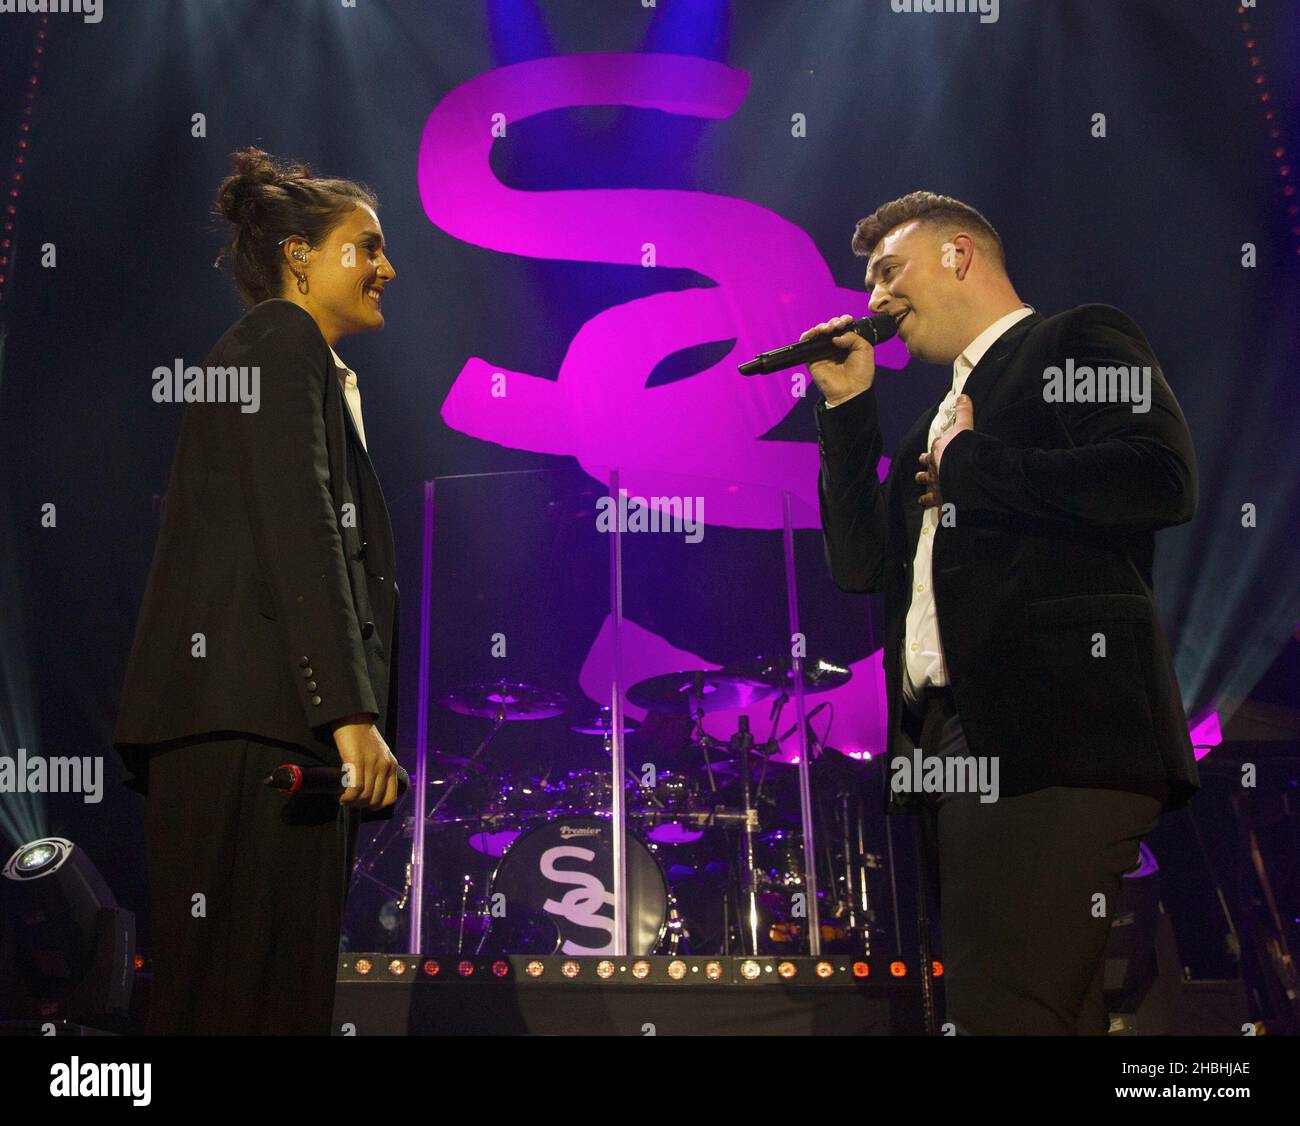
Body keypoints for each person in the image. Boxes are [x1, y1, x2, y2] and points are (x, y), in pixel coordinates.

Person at [807, 191, 1199, 1035]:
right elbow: (859, 567)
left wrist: (975, 466)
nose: (874, 299)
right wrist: (845, 415)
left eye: (888, 271)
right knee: (1033, 1005)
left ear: (959, 255)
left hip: (1060, 729)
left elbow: (1158, 477)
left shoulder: (1075, 341)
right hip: (949, 741)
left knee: (1007, 1009)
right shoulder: (927, 428)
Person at [112, 147, 401, 1035]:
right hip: (255, 723)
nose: (387, 267)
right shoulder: (282, 337)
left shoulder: (275, 353)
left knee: (238, 997)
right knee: (248, 999)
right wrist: (351, 714)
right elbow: (299, 524)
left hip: (251, 721)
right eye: (367, 246)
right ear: (299, 257)